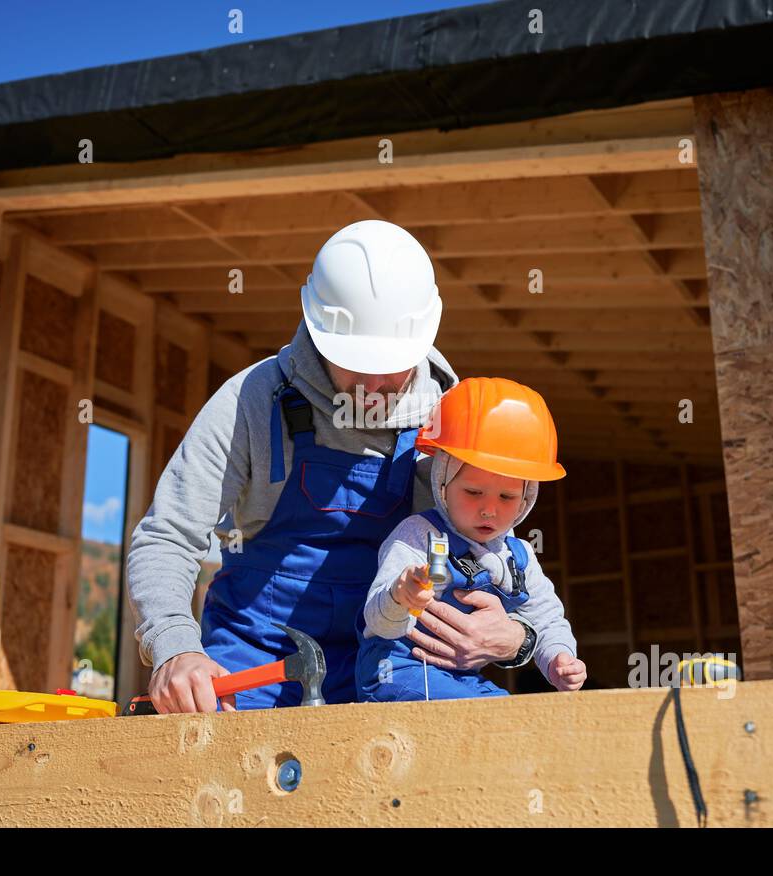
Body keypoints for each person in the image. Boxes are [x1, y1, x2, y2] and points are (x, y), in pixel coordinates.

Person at [127, 220, 535, 712]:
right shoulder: (253, 401)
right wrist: (175, 648)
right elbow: (166, 536)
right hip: (253, 669)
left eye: (391, 365)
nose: (373, 383)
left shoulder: (455, 420)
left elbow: (501, 556)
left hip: (397, 673)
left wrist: (519, 638)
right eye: (355, 361)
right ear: (318, 334)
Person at [357, 377, 587, 701]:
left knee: (513, 716)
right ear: (441, 485)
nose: (489, 510)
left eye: (507, 497)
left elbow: (546, 617)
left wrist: (559, 658)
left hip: (460, 678)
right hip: (399, 671)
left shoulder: (518, 557)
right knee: (482, 715)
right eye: (474, 492)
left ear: (527, 499)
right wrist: (400, 596)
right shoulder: (418, 535)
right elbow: (377, 620)